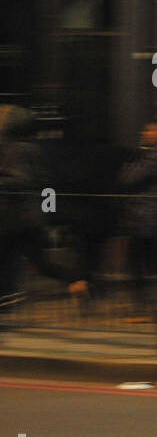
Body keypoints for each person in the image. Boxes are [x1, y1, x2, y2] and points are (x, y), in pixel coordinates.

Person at [0, 104, 90, 310]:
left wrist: (3, 180)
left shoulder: (17, 149)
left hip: (17, 218)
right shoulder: (31, 148)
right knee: (40, 264)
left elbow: (22, 180)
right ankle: (78, 281)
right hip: (28, 217)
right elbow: (44, 181)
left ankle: (8, 301)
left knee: (13, 261)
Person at [116, 120, 157, 321]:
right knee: (150, 263)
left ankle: (144, 309)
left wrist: (129, 165)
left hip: (144, 218)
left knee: (140, 263)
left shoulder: (153, 157)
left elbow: (128, 178)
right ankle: (152, 308)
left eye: (150, 130)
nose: (144, 133)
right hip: (149, 218)